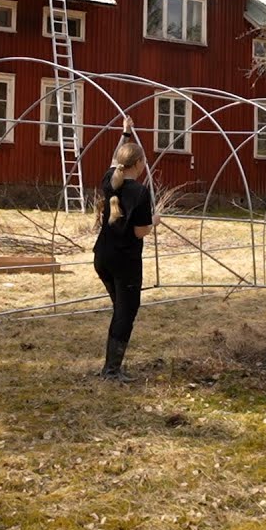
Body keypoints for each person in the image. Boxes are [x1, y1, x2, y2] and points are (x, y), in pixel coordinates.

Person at [92, 115, 158, 382]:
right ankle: (111, 370)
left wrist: (125, 133)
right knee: (125, 313)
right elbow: (140, 232)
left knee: (121, 309)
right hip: (125, 262)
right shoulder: (140, 193)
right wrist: (155, 220)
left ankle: (111, 366)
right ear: (140, 164)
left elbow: (113, 161)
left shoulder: (110, 180)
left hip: (103, 257)